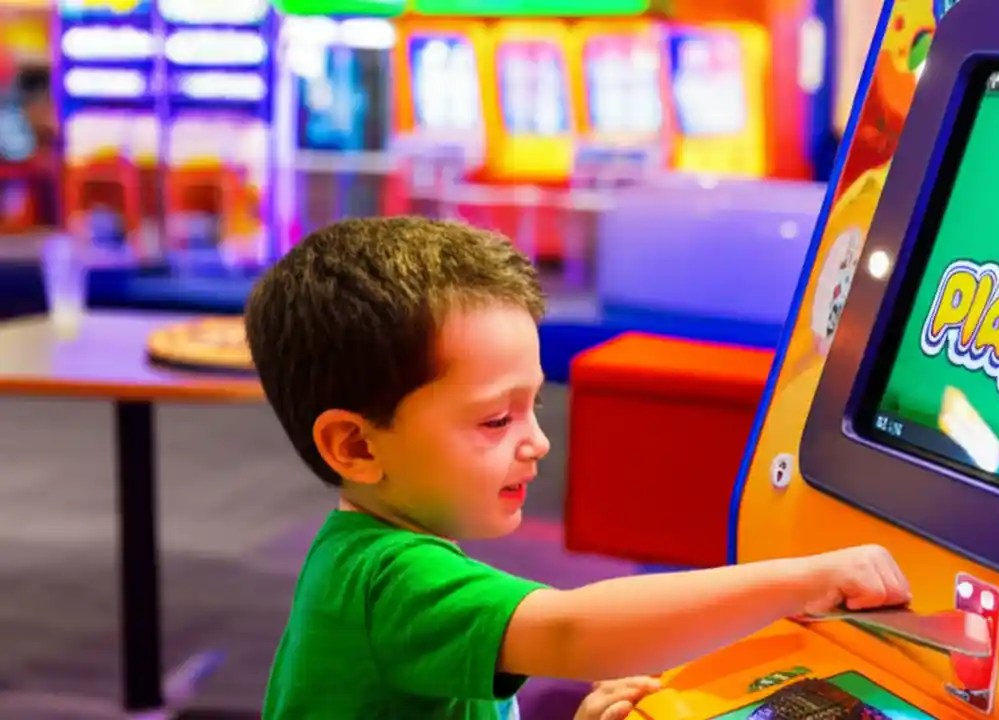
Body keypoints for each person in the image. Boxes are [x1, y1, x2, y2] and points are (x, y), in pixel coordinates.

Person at [246, 217, 912, 719]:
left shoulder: (368, 558)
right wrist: (803, 579)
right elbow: (571, 630)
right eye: (495, 420)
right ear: (357, 447)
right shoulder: (387, 581)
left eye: (534, 405)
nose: (537, 441)